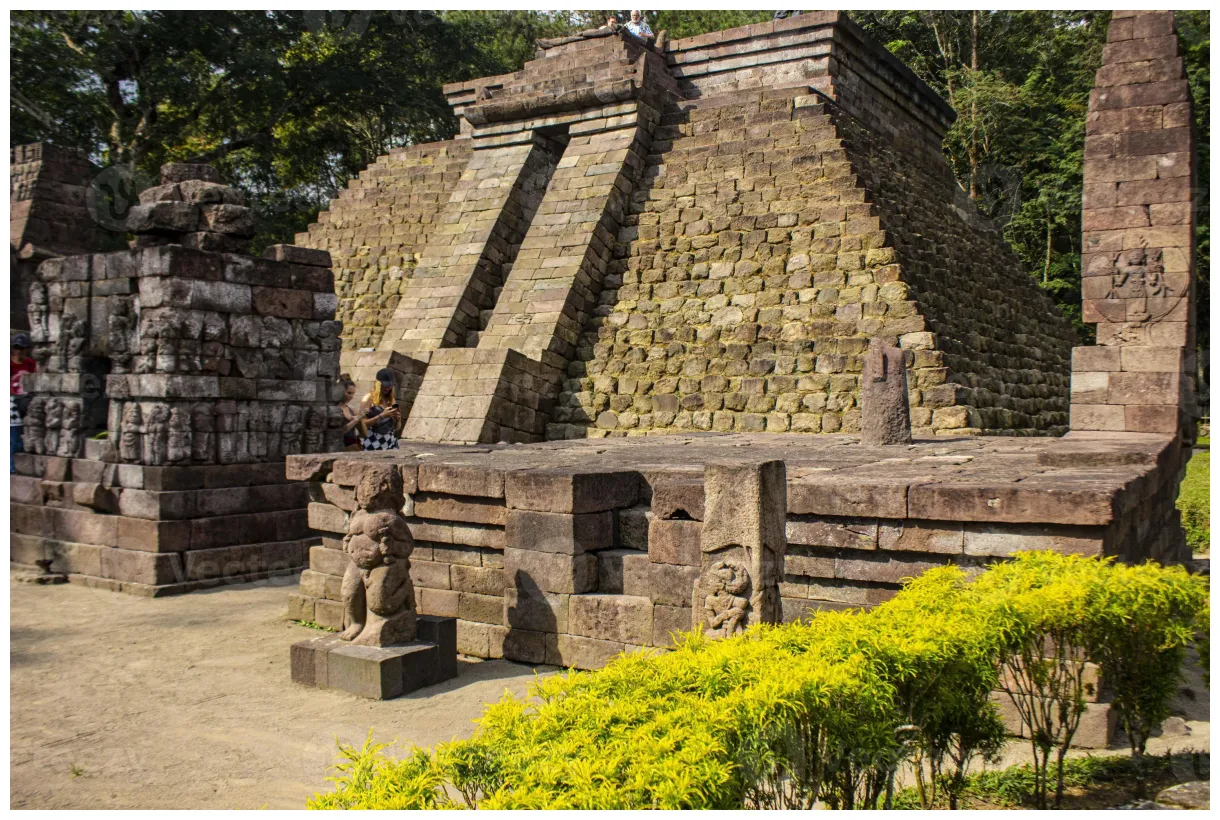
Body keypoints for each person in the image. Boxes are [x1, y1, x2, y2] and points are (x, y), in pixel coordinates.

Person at [11, 333, 37, 473]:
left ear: (27, 349)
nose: (19, 351)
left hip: (26, 397)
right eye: (16, 348)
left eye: (22, 348)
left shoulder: (30, 364)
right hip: (12, 399)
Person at [360, 368, 402, 451]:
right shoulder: (368, 398)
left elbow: (396, 428)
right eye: (384, 385)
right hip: (373, 441)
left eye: (389, 386)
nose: (387, 388)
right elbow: (361, 424)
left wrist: (398, 419)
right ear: (377, 384)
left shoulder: (391, 400)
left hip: (391, 441)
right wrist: (381, 416)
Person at [336, 375, 364, 451]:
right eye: (349, 393)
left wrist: (361, 418)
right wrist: (355, 420)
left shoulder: (352, 410)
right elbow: (340, 431)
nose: (351, 396)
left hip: (354, 447)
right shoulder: (334, 409)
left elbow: (364, 433)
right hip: (340, 448)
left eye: (353, 394)